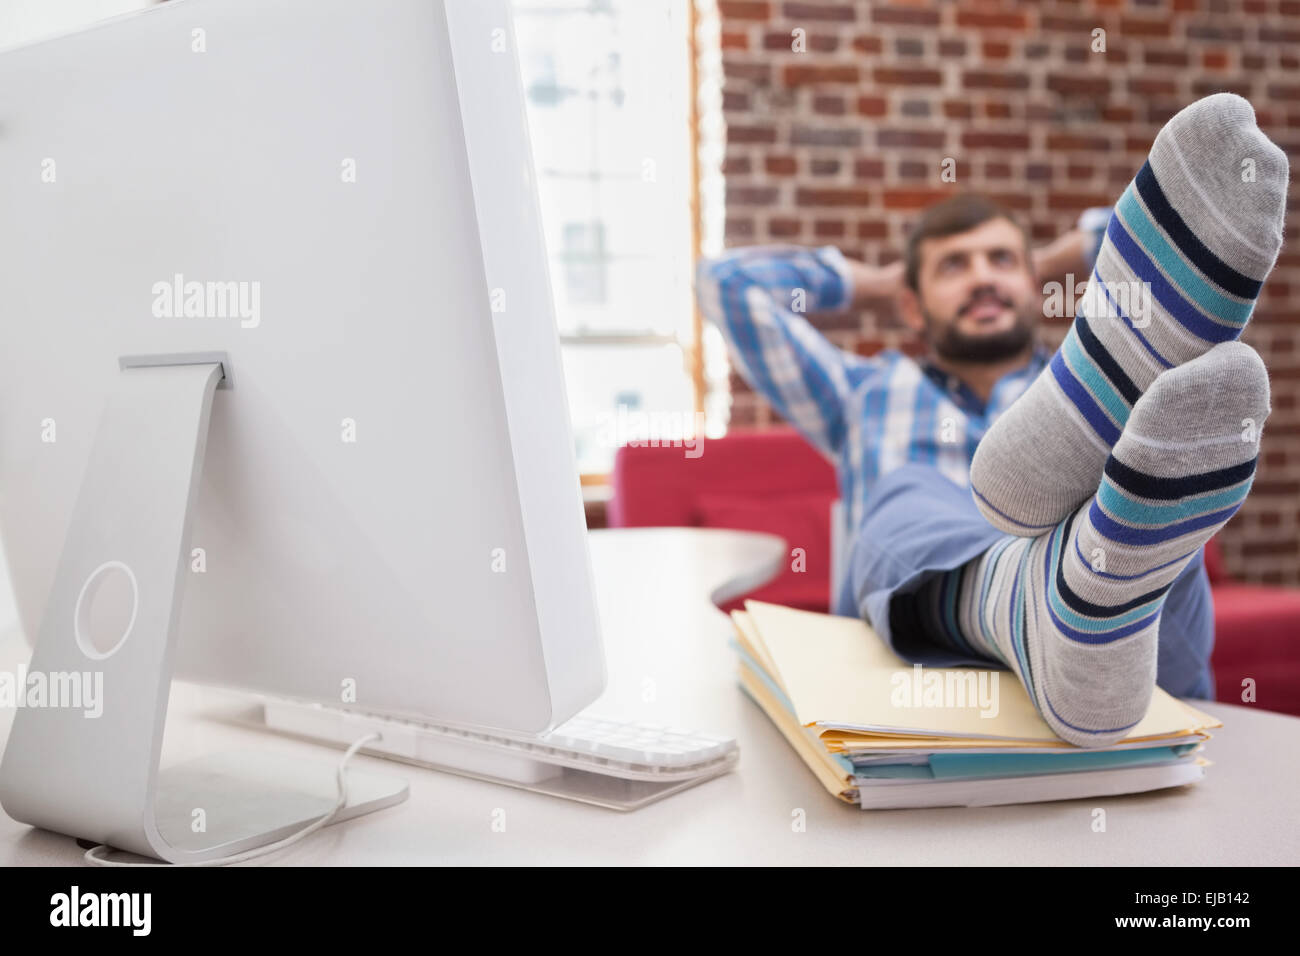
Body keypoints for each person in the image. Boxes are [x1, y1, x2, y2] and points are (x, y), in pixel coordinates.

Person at [695, 93, 1287, 748]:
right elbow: (725, 285)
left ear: (1037, 288)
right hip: (916, 655)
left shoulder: (1110, 389)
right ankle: (1040, 596)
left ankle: (1074, 590)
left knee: (1154, 485)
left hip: (1127, 671)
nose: (983, 278)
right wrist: (873, 281)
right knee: (911, 490)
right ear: (913, 309)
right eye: (954, 265)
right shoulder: (861, 391)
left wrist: (1052, 257)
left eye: (1002, 261)